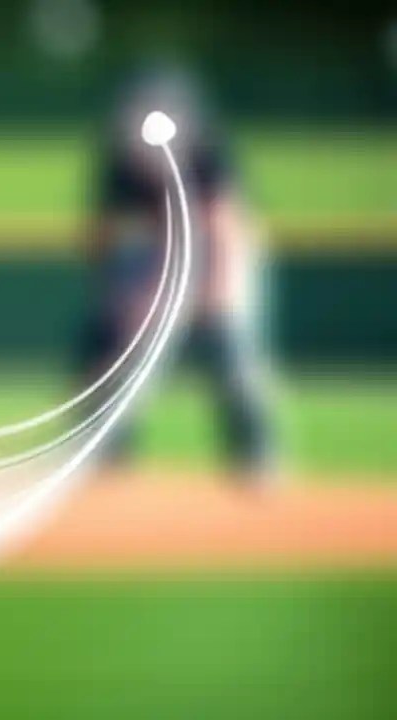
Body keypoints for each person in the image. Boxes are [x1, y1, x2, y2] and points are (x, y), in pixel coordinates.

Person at [78, 67, 277, 486]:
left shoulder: (204, 151)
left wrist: (216, 293)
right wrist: (121, 298)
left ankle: (255, 453)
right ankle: (107, 451)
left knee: (231, 344)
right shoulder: (121, 159)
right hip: (157, 252)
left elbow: (223, 229)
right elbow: (103, 237)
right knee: (111, 344)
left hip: (217, 249)